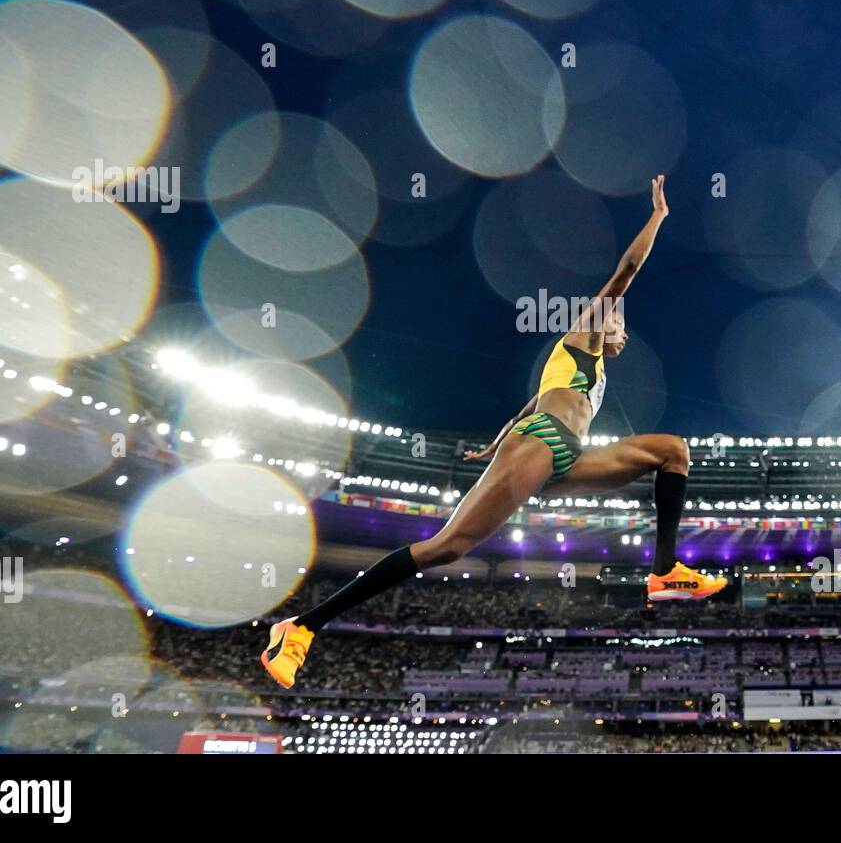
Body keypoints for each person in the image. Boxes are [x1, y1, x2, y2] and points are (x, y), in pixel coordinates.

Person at [262, 175, 726, 688]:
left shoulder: (583, 370)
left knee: (671, 451)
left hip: (565, 454)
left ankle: (663, 571)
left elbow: (529, 404)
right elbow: (627, 270)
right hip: (544, 445)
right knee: (447, 548)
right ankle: (301, 627)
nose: (622, 333)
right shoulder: (585, 332)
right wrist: (659, 216)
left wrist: (497, 442)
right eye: (619, 325)